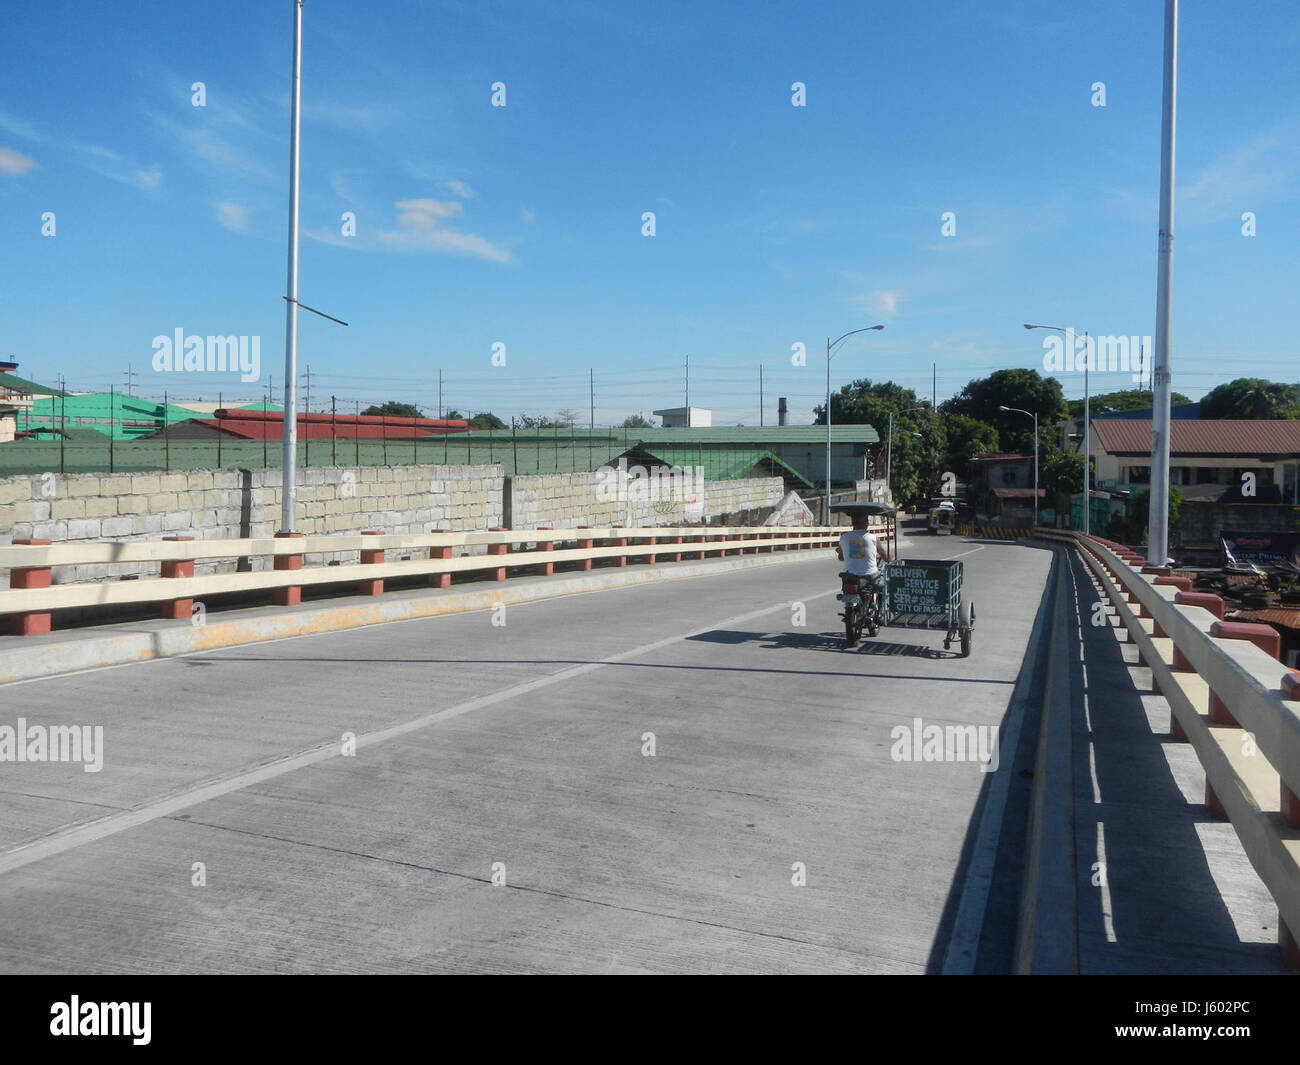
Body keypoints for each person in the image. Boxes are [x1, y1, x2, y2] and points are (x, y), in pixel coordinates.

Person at [836, 511, 890, 582]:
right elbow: (885, 557)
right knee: (884, 585)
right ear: (866, 523)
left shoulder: (844, 537)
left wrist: (840, 552)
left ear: (853, 523)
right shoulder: (873, 538)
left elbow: (841, 558)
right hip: (870, 576)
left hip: (849, 577)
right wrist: (892, 558)